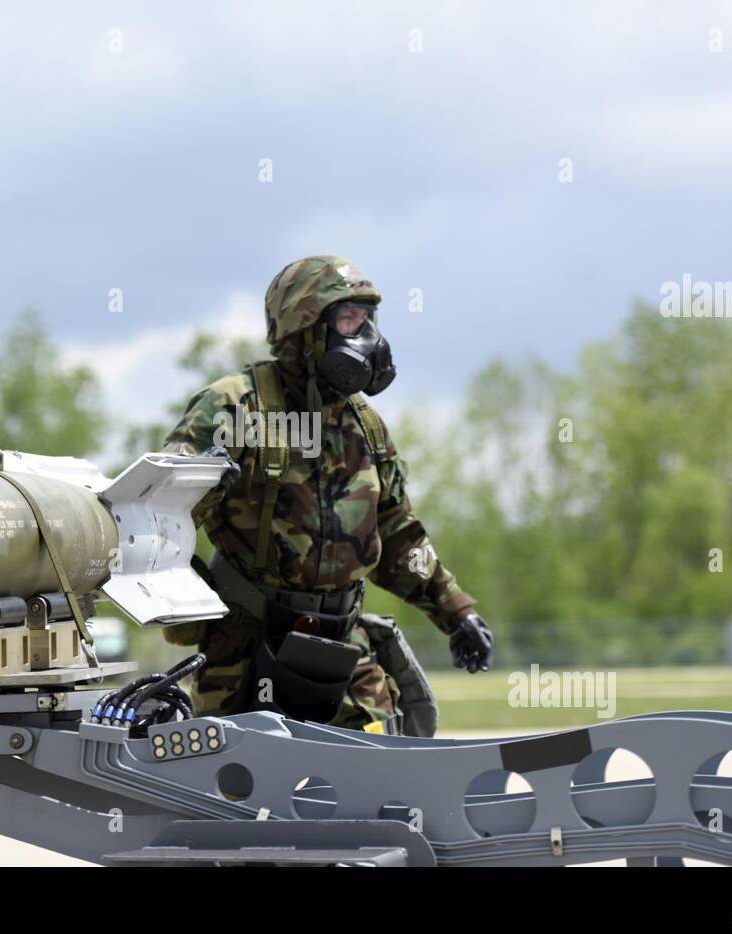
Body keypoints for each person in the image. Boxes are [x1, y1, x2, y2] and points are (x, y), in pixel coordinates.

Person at [162, 255, 494, 734]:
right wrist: (196, 605)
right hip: (247, 643)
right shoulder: (235, 407)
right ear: (306, 326)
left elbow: (398, 534)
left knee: (386, 774)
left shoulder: (365, 425)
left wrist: (456, 611)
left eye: (367, 320)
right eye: (348, 319)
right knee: (228, 786)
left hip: (343, 641)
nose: (367, 336)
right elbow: (157, 519)